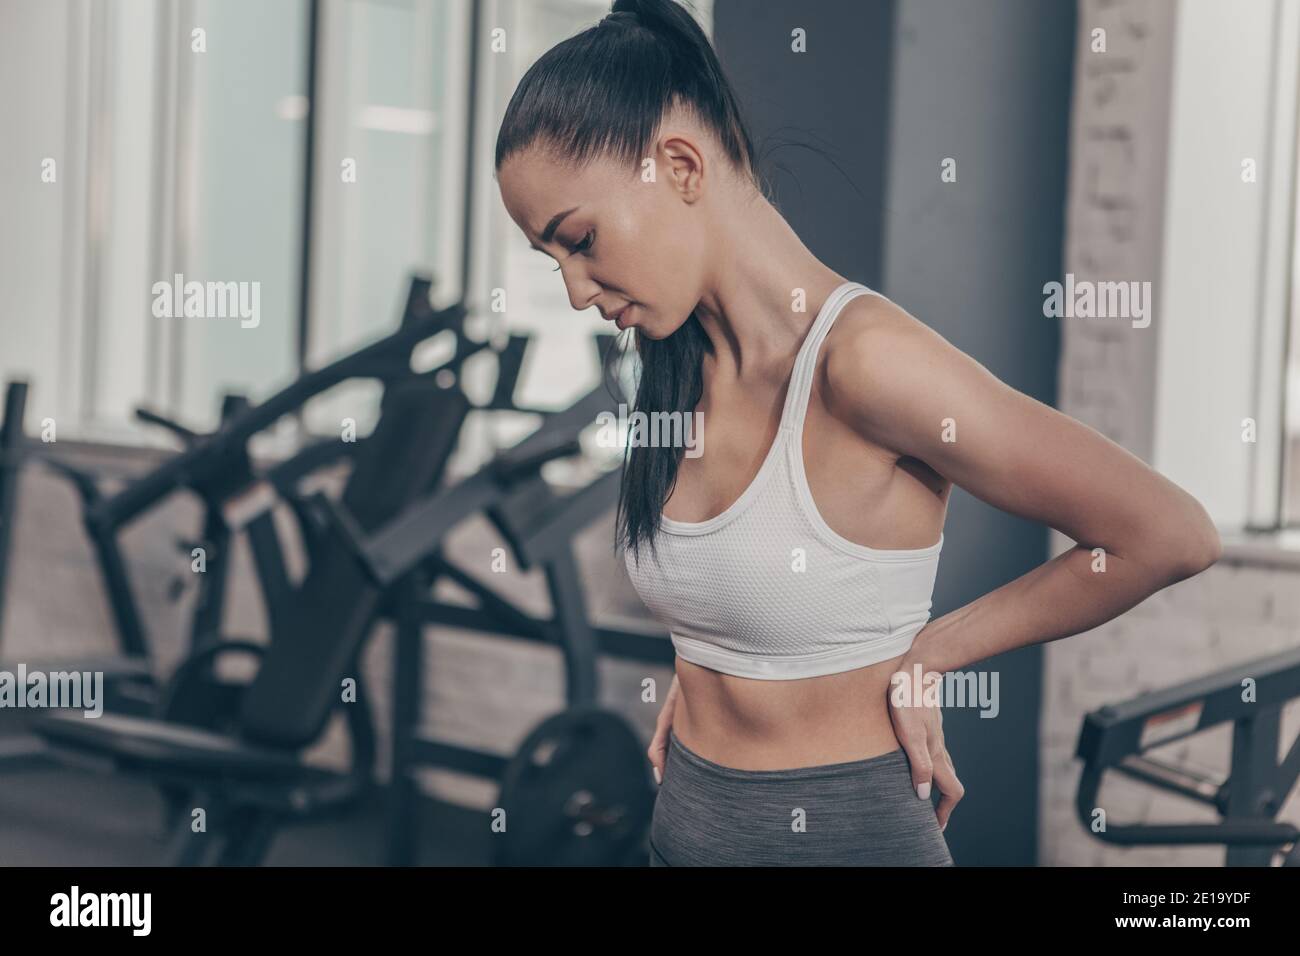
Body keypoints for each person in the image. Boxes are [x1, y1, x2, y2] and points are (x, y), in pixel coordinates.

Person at [493, 0, 1221, 866]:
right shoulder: (677, 369)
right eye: (555, 261)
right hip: (682, 829)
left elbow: (1167, 535)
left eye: (580, 241)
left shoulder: (864, 364)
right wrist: (710, 673)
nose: (578, 290)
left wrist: (934, 653)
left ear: (680, 165)